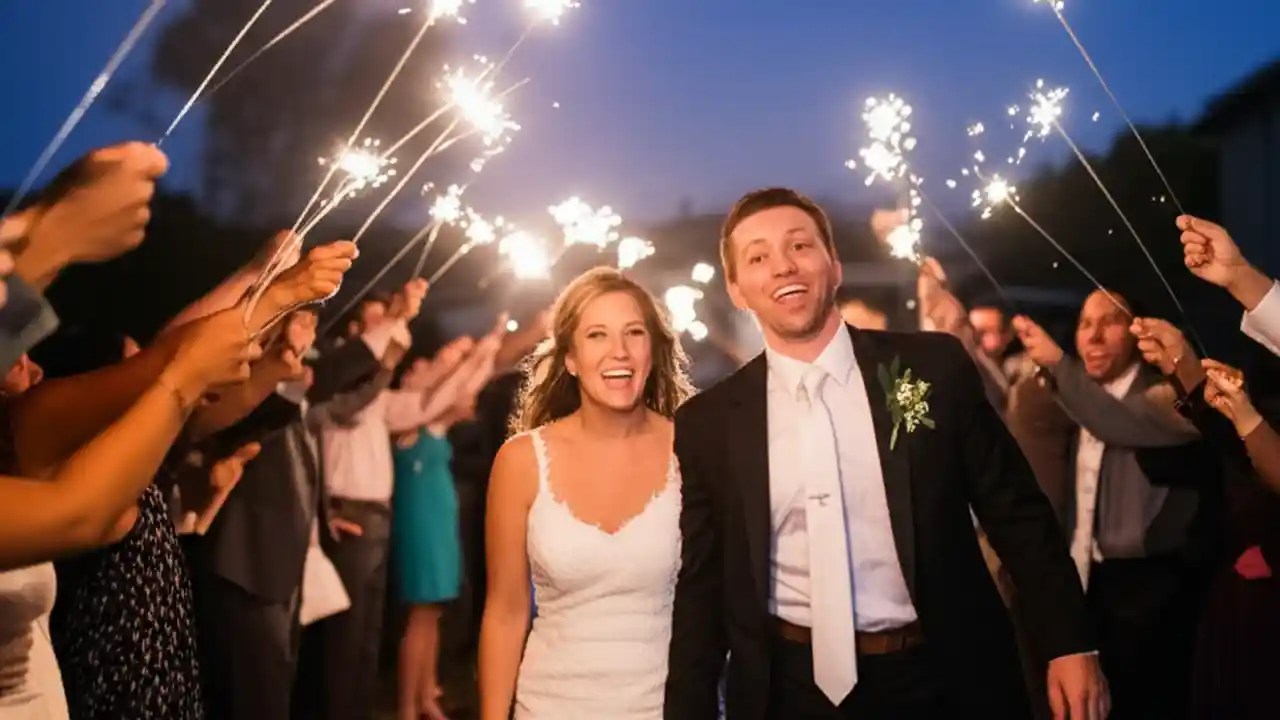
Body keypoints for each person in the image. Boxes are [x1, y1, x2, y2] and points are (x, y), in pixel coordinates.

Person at [665, 188, 1106, 719]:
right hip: (788, 689)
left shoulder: (931, 369)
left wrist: (1069, 642)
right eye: (758, 257)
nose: (783, 266)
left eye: (800, 246)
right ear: (737, 289)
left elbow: (1017, 513)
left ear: (834, 265)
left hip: (939, 674)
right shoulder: (708, 423)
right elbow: (702, 588)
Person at [478, 267, 694, 719]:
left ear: (653, 350)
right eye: (597, 335)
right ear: (571, 358)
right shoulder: (520, 462)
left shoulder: (695, 452)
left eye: (634, 333)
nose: (619, 351)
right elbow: (504, 612)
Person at [395, 332, 503, 720]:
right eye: (422, 367)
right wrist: (482, 349)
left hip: (438, 520)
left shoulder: (432, 424)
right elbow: (455, 388)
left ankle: (426, 697)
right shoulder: (411, 422)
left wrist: (485, 348)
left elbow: (462, 386)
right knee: (420, 614)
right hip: (420, 522)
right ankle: (407, 707)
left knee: (434, 612)